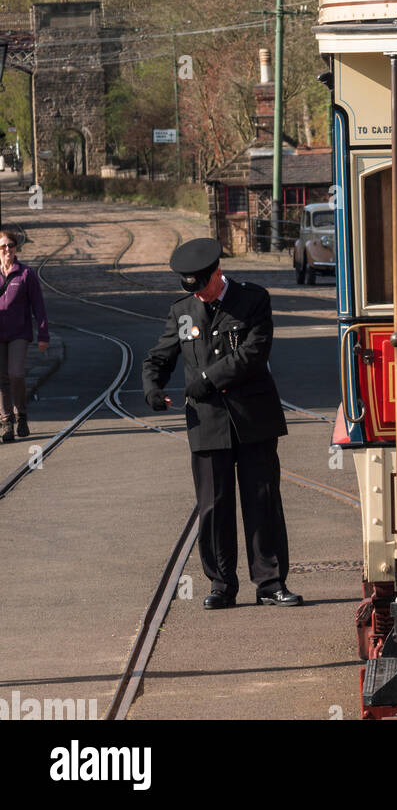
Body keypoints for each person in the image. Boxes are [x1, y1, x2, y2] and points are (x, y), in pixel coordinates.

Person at [142, 238, 302, 609]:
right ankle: (221, 584)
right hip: (207, 422)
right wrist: (152, 387)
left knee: (262, 501)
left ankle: (271, 582)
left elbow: (254, 352)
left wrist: (209, 378)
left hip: (253, 419)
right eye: (191, 288)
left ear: (218, 273)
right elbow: (159, 357)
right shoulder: (183, 310)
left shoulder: (253, 300)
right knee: (213, 506)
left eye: (202, 285)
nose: (198, 295)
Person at [0, 228, 50, 442]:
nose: (6, 250)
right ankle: (6, 422)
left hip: (19, 333)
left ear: (16, 247)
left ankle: (22, 415)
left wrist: (43, 334)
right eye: (2, 246)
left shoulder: (26, 273)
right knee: (1, 379)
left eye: (10, 245)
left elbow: (38, 306)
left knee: (16, 374)